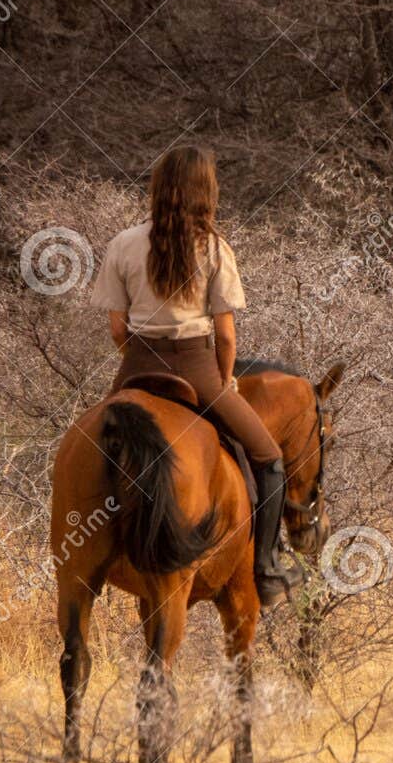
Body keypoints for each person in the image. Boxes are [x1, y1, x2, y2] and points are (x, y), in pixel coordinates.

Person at [89, 145, 299, 604]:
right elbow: (226, 337)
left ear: (158, 189)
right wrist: (224, 382)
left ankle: (92, 554)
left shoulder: (123, 244)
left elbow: (117, 328)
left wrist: (141, 359)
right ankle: (265, 567)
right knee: (268, 457)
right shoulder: (216, 249)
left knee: (91, 450)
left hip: (136, 366)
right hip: (198, 367)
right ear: (206, 192)